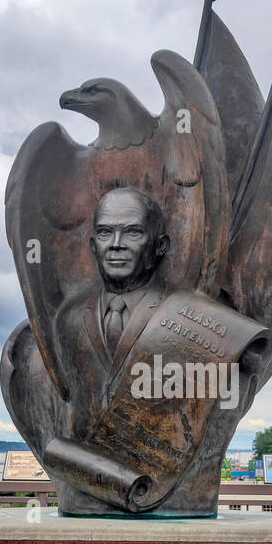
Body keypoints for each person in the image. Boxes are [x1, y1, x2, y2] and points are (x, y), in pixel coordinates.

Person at [55, 187, 169, 437]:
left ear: (160, 246)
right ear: (94, 245)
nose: (116, 245)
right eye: (106, 232)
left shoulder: (187, 317)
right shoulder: (68, 319)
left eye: (133, 232)